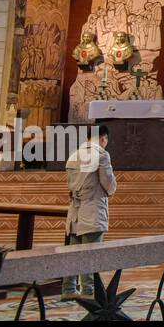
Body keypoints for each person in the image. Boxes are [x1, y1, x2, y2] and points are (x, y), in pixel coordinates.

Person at [61, 124, 117, 300]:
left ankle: (69, 289)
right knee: (91, 252)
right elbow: (108, 181)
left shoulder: (74, 155)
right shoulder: (101, 154)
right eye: (106, 140)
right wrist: (112, 190)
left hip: (75, 209)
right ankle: (89, 292)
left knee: (73, 251)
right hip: (92, 208)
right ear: (103, 138)